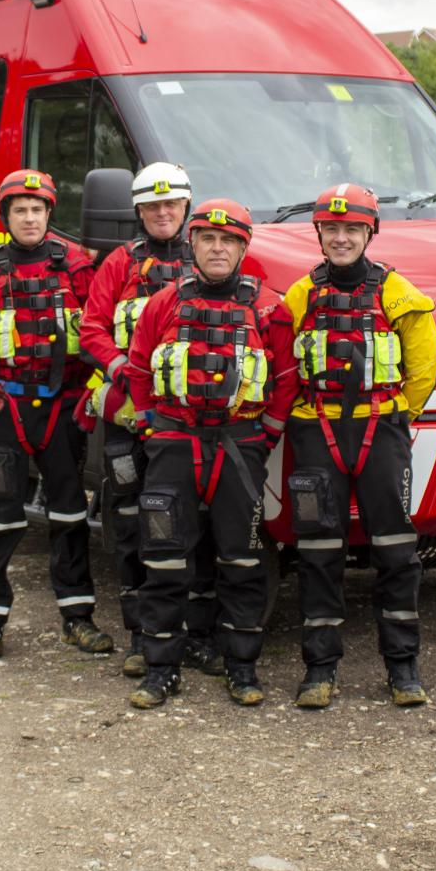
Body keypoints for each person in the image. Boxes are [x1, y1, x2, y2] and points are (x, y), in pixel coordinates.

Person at [272, 183, 436, 708]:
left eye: (352, 229)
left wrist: (396, 415)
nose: (341, 238)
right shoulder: (300, 296)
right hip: (315, 430)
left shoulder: (397, 293)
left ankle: (404, 669)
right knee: (318, 549)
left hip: (379, 429)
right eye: (332, 229)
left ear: (370, 232)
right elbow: (282, 364)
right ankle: (319, 670)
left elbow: (423, 364)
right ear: (318, 233)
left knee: (395, 548)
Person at [124, 199, 286, 710]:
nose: (219, 248)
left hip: (239, 444)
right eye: (209, 239)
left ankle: (241, 666)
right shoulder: (164, 303)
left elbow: (284, 380)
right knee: (165, 558)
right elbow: (137, 369)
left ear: (243, 247)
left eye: (229, 240)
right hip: (175, 442)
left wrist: (266, 436)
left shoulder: (269, 308)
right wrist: (155, 427)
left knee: (241, 560)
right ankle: (160, 669)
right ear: (192, 244)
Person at [0, 168, 112, 660]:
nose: (28, 218)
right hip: (5, 411)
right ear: (6, 217)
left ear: (49, 215)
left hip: (61, 410)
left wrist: (90, 394)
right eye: (19, 210)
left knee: (69, 516)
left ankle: (78, 619)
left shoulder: (77, 270)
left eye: (37, 210)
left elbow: (94, 336)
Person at [78, 162, 221, 679]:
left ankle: (199, 635)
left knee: (198, 523)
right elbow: (92, 326)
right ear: (138, 211)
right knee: (133, 522)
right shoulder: (117, 264)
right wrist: (122, 370)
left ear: (186, 207)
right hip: (128, 412)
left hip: (188, 417)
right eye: (153, 206)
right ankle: (143, 635)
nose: (163, 213)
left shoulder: (208, 255)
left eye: (172, 204)